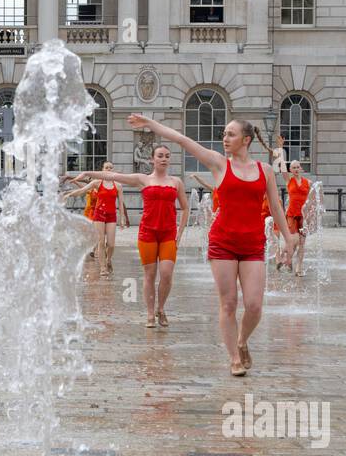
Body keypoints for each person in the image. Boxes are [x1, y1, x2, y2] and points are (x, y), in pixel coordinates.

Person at [129, 114, 293, 376]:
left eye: (231, 134)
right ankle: (233, 359)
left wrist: (288, 238)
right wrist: (151, 124)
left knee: (254, 305)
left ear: (246, 140)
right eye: (224, 134)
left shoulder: (266, 171)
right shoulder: (218, 163)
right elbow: (183, 140)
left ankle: (241, 341)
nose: (225, 138)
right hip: (223, 243)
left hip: (252, 244)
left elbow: (275, 206)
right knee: (228, 303)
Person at [67, 148, 187, 326]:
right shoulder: (143, 179)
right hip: (148, 233)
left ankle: (160, 309)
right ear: (152, 159)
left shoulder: (176, 182)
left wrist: (180, 233)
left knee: (167, 274)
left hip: (168, 233)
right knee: (149, 275)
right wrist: (87, 172)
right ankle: (149, 314)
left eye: (167, 156)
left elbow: (185, 208)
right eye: (160, 156)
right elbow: (113, 176)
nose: (164, 159)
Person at [62, 162, 128, 277]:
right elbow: (82, 191)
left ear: (113, 170)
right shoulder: (97, 183)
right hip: (99, 214)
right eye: (106, 167)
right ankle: (103, 267)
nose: (108, 169)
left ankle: (108, 261)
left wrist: (122, 218)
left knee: (111, 244)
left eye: (111, 168)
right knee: (101, 242)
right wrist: (69, 194)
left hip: (111, 215)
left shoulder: (118, 185)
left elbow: (121, 203)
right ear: (102, 170)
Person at [283, 160, 311, 275]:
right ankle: (285, 258)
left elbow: (311, 200)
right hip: (292, 215)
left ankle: (299, 267)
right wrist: (280, 150)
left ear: (300, 168)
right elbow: (283, 170)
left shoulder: (308, 182)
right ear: (290, 170)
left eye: (297, 167)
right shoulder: (289, 180)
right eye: (293, 167)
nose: (295, 169)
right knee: (293, 241)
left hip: (303, 217)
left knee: (302, 243)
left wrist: (311, 213)